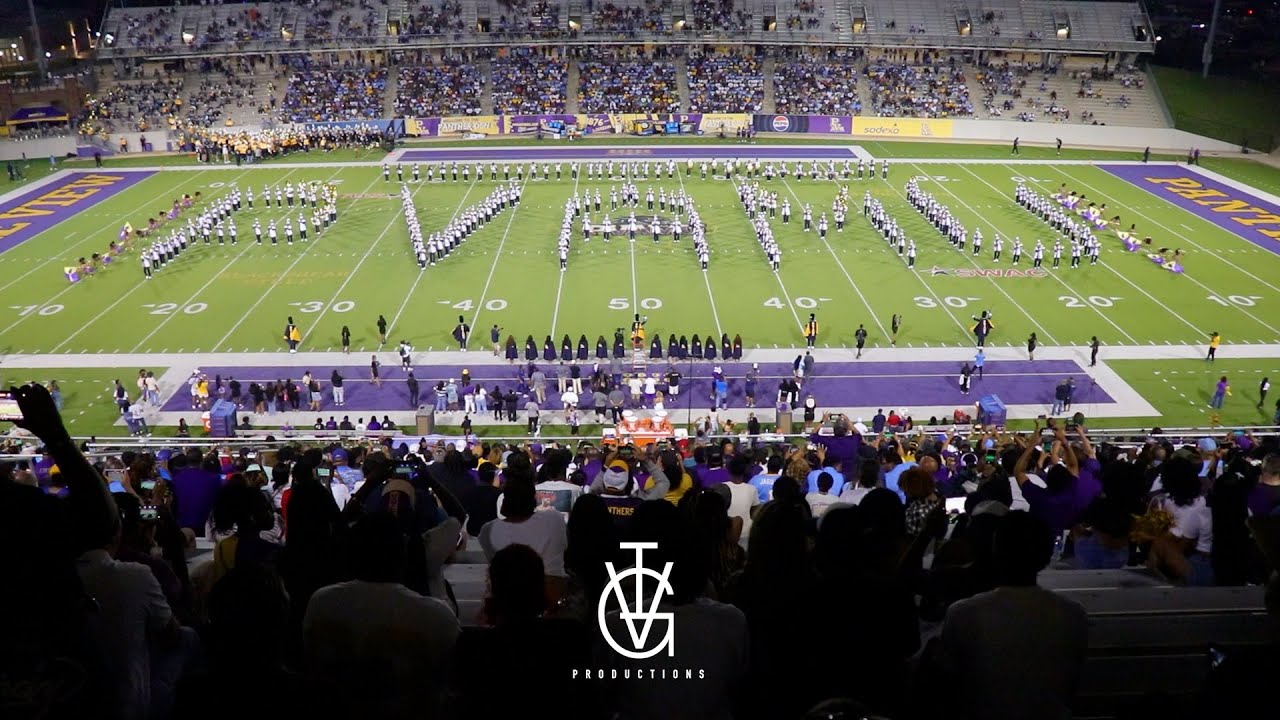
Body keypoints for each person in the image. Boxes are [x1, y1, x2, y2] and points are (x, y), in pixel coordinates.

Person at [924, 511, 1088, 720]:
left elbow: (950, 685)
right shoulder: (1072, 615)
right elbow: (1070, 684)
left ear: (996, 551)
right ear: (1046, 556)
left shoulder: (963, 614)